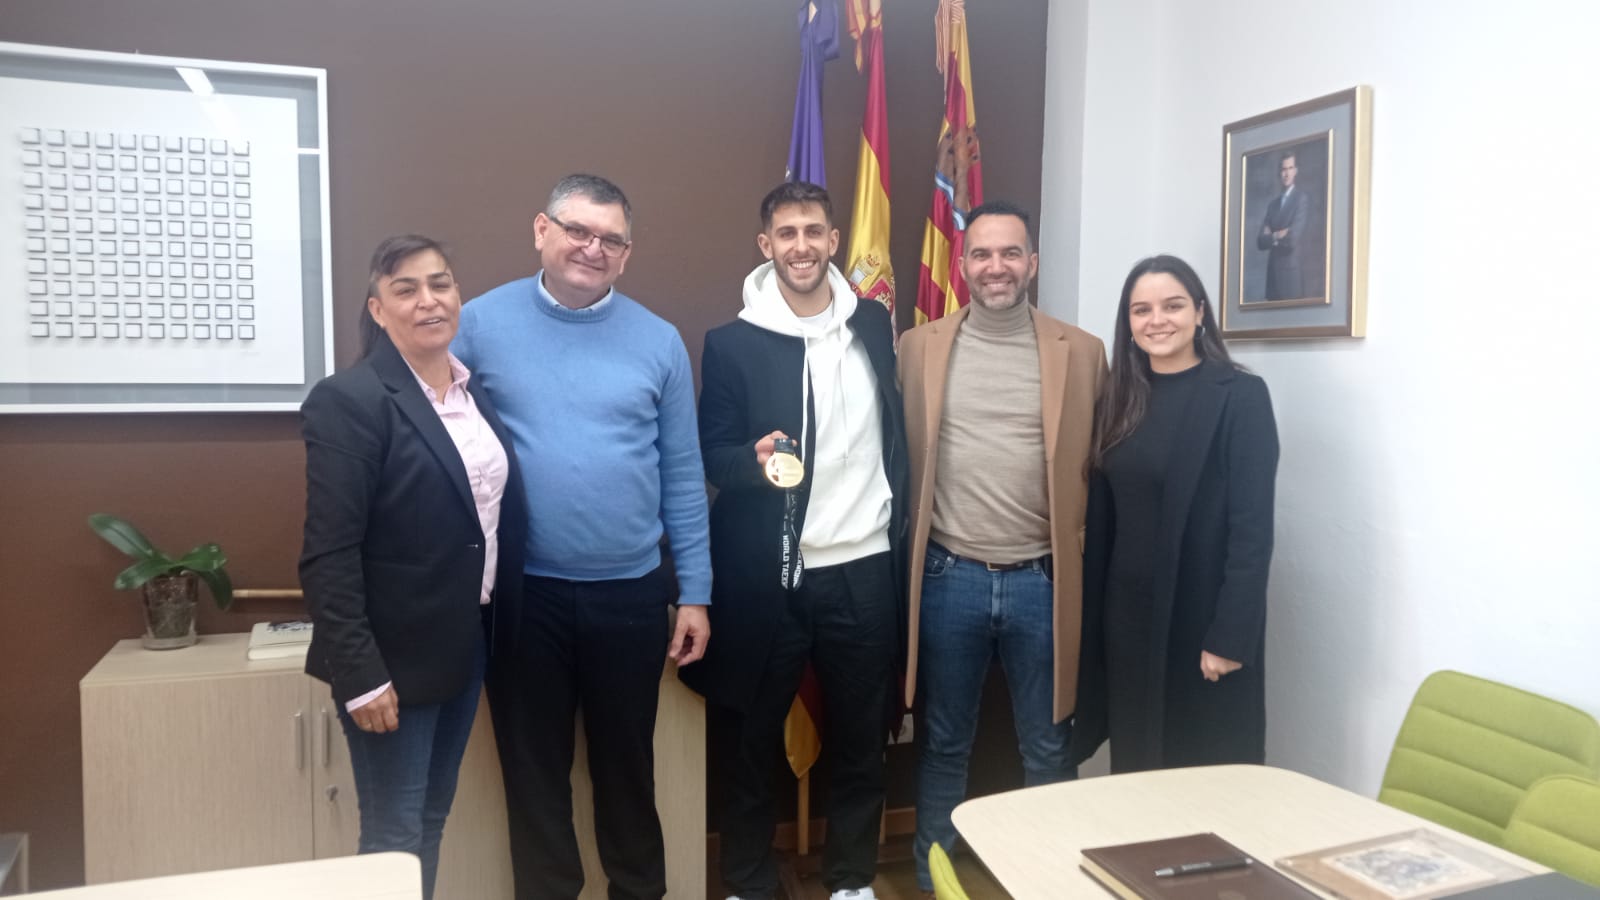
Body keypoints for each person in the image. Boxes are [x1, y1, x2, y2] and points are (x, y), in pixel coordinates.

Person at [451, 173, 712, 900]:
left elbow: (684, 478)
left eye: (611, 239)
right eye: (578, 230)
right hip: (520, 597)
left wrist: (694, 592)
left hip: (629, 597)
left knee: (628, 773)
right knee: (533, 777)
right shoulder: (476, 324)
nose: (592, 248)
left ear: (627, 254)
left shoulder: (657, 341)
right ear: (542, 230)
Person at [686, 181, 907, 900]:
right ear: (766, 246)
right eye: (787, 234)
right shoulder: (733, 342)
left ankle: (850, 882)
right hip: (771, 577)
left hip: (865, 568)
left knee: (860, 740)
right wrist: (749, 464)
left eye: (814, 231)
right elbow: (708, 455)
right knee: (751, 744)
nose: (802, 246)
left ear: (834, 239)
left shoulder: (873, 325)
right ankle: (751, 883)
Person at [299, 234, 527, 900]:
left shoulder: (469, 393)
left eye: (441, 283)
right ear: (377, 309)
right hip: (391, 662)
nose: (429, 300)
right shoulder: (352, 400)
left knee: (429, 818)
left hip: (464, 646)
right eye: (407, 289)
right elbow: (328, 551)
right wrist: (361, 675)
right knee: (394, 833)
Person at [897, 201, 1107, 892]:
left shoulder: (1083, 353)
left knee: (1047, 745)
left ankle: (1051, 880)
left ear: (1032, 264)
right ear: (961, 267)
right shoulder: (917, 347)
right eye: (982, 255)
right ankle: (932, 881)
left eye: (1010, 253)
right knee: (944, 741)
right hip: (948, 575)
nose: (996, 267)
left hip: (1042, 582)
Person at [1071, 254, 1279, 774]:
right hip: (1127, 621)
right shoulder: (1118, 398)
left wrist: (1231, 637)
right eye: (1141, 310)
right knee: (1138, 766)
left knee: (1200, 772)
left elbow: (1252, 530)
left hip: (1199, 618)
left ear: (1200, 313)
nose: (1156, 320)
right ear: (1129, 323)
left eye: (1173, 306)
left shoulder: (1240, 397)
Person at [1256, 151, 1309, 300]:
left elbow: (1292, 239)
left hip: (1291, 277)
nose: (1286, 174)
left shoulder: (1301, 200)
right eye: (1283, 169)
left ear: (1296, 171)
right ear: (1279, 172)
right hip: (1273, 276)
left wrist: (1271, 236)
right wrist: (1279, 234)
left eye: (1290, 168)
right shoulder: (1272, 205)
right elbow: (1260, 242)